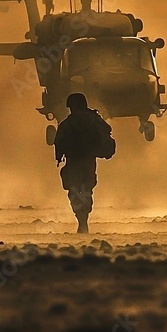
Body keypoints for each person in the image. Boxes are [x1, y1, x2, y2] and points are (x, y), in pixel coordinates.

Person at [54, 93, 114, 234]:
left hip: (73, 161)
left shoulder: (67, 123)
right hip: (88, 160)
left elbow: (59, 141)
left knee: (74, 190)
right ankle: (84, 219)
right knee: (86, 189)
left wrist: (59, 157)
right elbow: (107, 130)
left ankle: (81, 220)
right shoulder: (93, 119)